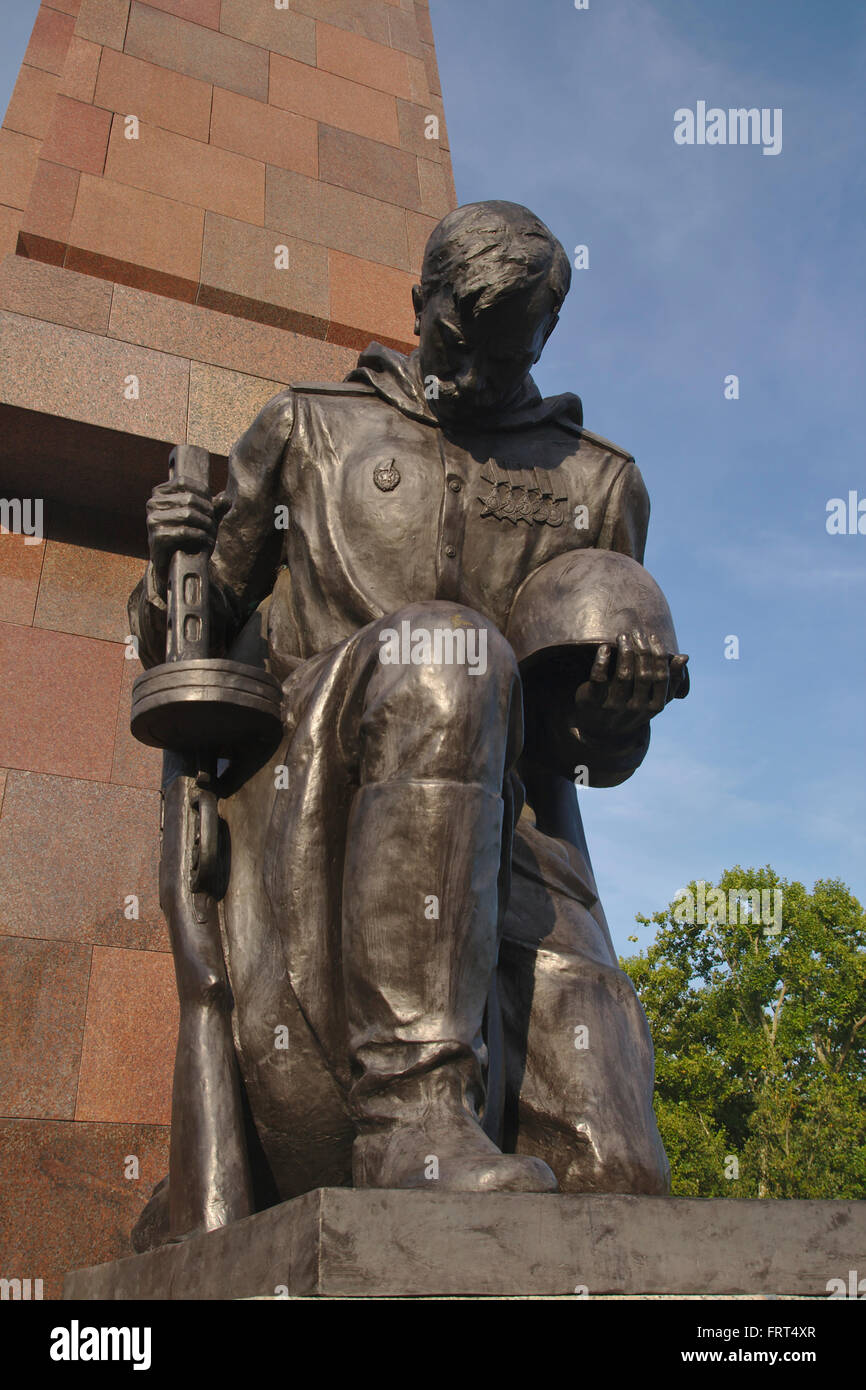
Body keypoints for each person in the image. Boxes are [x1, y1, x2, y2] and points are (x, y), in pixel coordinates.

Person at [129, 201, 689, 1243]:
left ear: (544, 341)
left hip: (512, 838)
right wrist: (175, 571)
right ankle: (411, 1115)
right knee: (451, 650)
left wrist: (616, 716)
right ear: (420, 302)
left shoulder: (594, 480)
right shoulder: (307, 427)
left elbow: (591, 746)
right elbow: (186, 655)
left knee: (616, 1184)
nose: (472, 381)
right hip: (313, 785)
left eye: (503, 358)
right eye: (455, 349)